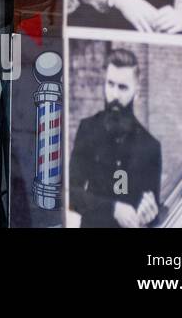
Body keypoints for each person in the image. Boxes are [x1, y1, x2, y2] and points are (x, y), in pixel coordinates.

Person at [69, 48, 162, 228]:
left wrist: (149, 216)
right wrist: (113, 208)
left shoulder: (151, 147)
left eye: (123, 87)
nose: (115, 95)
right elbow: (71, 193)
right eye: (110, 84)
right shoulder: (88, 129)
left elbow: (153, 213)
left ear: (137, 90)